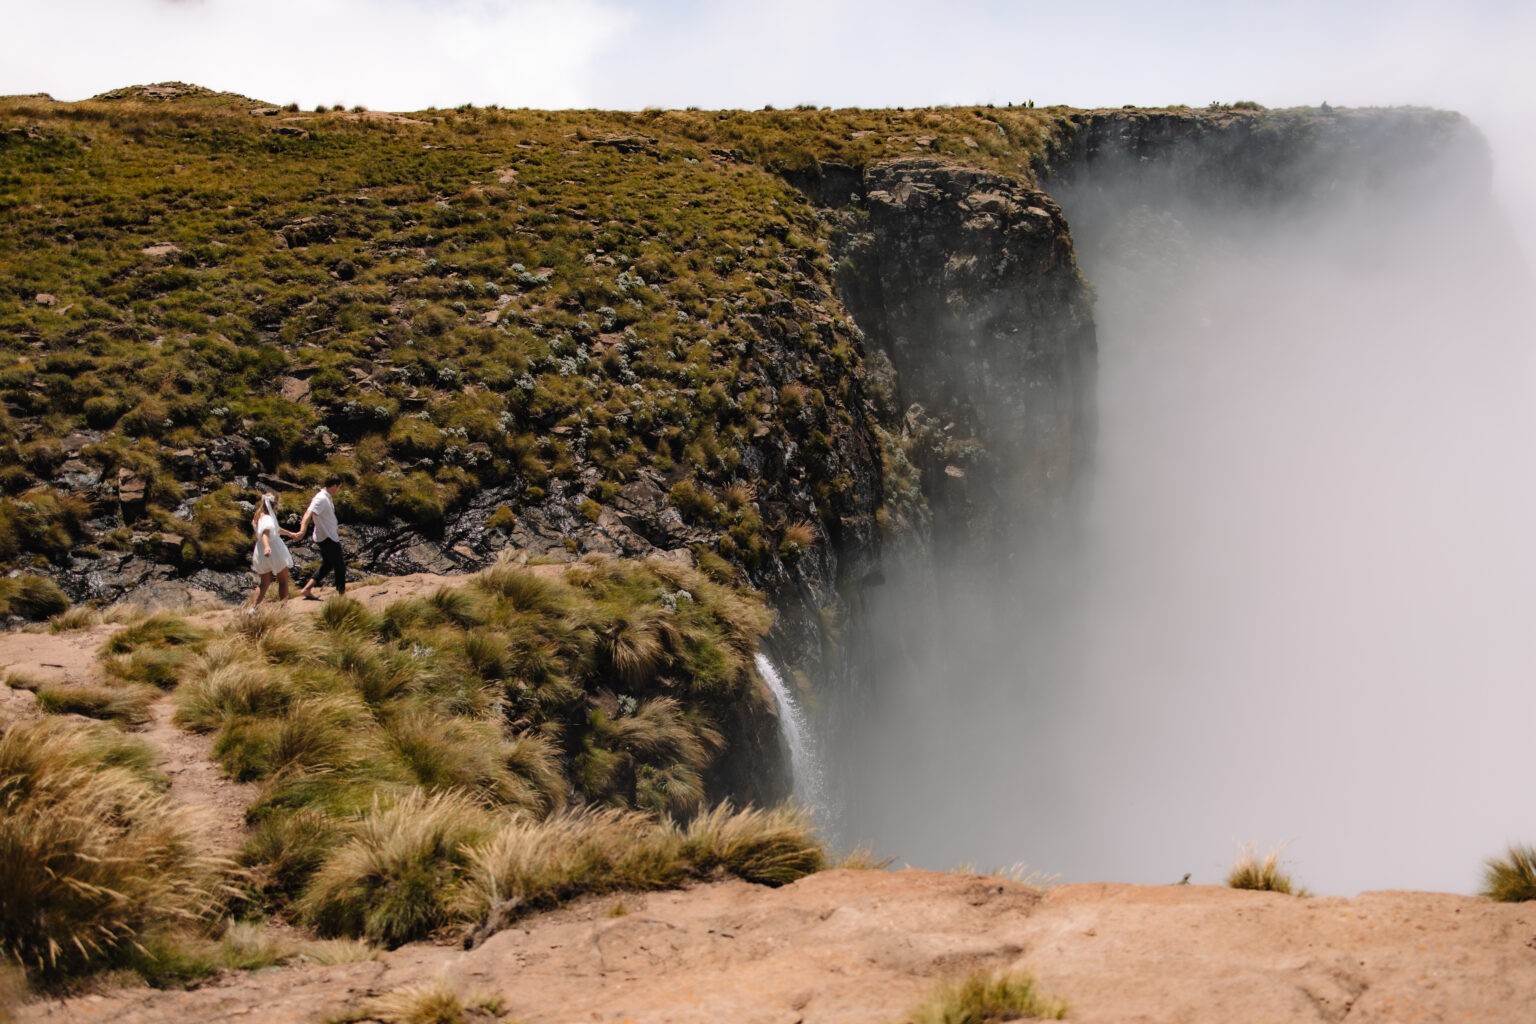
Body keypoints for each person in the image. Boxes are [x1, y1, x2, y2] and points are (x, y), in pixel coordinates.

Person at [286, 475, 346, 600]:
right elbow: (309, 513)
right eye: (339, 487)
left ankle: (307, 589)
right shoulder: (321, 498)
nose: (338, 490)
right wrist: (302, 530)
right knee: (340, 566)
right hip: (327, 538)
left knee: (328, 564)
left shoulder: (326, 497)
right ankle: (341, 597)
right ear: (334, 486)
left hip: (326, 536)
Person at [249, 492, 294, 606]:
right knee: (283, 580)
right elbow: (265, 533)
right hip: (274, 549)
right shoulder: (268, 518)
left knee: (264, 582)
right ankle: (282, 607)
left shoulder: (258, 515)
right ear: (275, 503)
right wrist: (267, 546)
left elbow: (276, 529)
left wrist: (290, 534)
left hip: (259, 550)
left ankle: (254, 608)